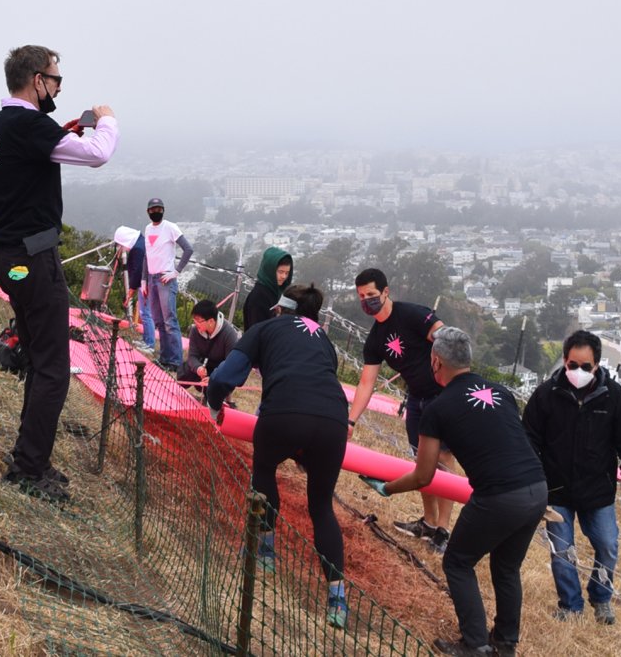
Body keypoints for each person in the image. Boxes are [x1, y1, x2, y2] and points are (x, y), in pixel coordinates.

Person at [0, 44, 118, 501]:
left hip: (10, 258)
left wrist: (63, 130)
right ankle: (28, 469)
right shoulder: (28, 125)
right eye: (56, 79)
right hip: (31, 260)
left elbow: (35, 152)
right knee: (54, 367)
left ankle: (31, 457)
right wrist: (107, 118)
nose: (58, 86)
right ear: (37, 79)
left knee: (40, 360)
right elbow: (97, 154)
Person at [361, 327, 546, 657]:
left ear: (436, 362)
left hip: (497, 496)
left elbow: (423, 475)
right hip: (536, 489)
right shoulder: (500, 391)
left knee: (458, 563)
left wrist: (386, 487)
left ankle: (475, 644)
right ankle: (505, 643)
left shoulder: (438, 408)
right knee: (506, 567)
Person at [205, 285, 350, 628]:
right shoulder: (324, 339)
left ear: (281, 310)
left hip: (283, 412)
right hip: (333, 422)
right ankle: (338, 599)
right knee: (321, 506)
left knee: (265, 469)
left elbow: (225, 376)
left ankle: (265, 552)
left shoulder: (264, 328)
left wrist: (213, 405)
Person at [522, 330, 621, 626]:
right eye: (572, 365)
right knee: (561, 553)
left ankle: (601, 598)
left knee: (607, 544)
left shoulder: (613, 397)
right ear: (564, 361)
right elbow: (528, 440)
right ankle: (571, 605)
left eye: (586, 366)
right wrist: (535, 480)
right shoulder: (545, 395)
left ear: (598, 365)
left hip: (598, 491)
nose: (578, 371)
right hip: (556, 490)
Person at [348, 267, 454, 552]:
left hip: (441, 398)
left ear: (385, 292)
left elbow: (449, 341)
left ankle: (444, 530)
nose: (366, 300)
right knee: (422, 464)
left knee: (443, 463)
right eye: (361, 296)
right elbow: (366, 383)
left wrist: (455, 385)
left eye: (371, 294)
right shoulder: (375, 339)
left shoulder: (412, 315)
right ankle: (428, 524)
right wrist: (351, 420)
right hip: (416, 401)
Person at [142, 198, 193, 370]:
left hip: (166, 279)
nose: (155, 211)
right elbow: (146, 256)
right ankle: (164, 358)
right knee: (159, 321)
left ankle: (176, 361)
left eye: (158, 208)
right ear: (148, 212)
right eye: (152, 209)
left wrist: (176, 271)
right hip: (151, 278)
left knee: (170, 321)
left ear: (163, 210)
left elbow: (188, 249)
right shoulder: (148, 229)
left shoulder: (170, 227)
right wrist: (144, 280)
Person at [177, 298, 239, 392]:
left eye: (199, 321)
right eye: (194, 319)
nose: (195, 323)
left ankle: (219, 397)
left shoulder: (229, 335)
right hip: (204, 364)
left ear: (210, 321)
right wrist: (198, 368)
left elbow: (230, 366)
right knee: (183, 375)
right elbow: (192, 355)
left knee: (215, 388)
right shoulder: (195, 330)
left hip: (219, 369)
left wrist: (214, 378)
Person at [112, 225, 154, 352]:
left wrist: (130, 292)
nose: (120, 247)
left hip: (147, 283)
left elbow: (137, 272)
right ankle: (146, 340)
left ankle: (150, 344)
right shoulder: (140, 243)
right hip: (145, 282)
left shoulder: (139, 249)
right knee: (144, 312)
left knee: (146, 314)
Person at [242, 246, 293, 330]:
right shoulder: (258, 297)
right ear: (270, 270)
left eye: (287, 273)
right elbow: (257, 331)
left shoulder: (278, 292)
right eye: (280, 272)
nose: (284, 276)